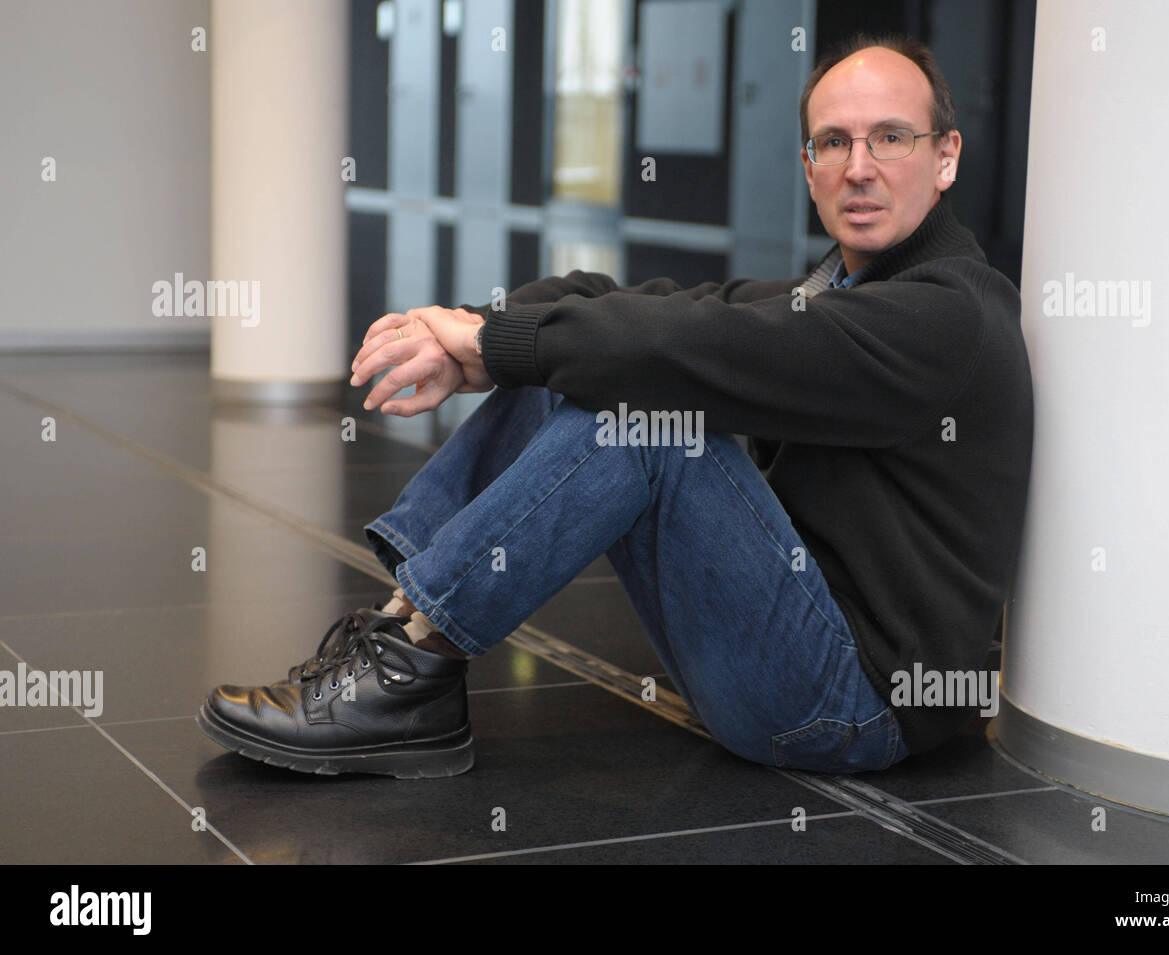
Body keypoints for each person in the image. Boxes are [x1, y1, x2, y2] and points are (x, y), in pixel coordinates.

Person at [197, 32, 1033, 779]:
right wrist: (479, 334)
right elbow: (640, 302)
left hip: (855, 709)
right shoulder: (835, 288)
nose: (860, 165)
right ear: (807, 164)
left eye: (892, 137)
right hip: (786, 650)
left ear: (946, 156)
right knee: (592, 352)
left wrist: (489, 346)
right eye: (834, 141)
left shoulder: (946, 315)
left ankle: (411, 672)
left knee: (643, 411)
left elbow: (690, 349)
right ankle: (403, 630)